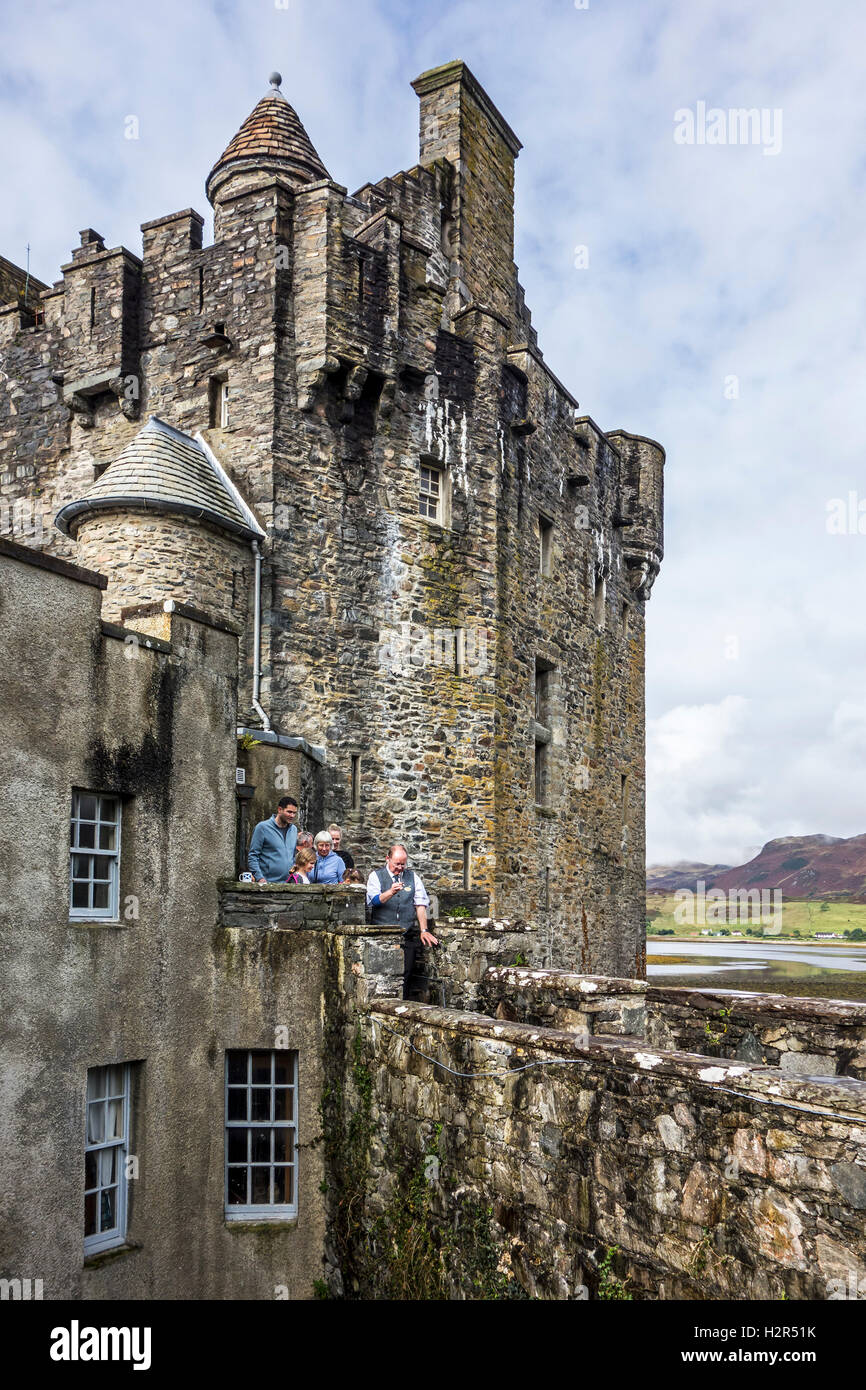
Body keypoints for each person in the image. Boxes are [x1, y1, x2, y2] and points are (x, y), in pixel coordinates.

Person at [366, 844, 438, 1000]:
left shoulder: (413, 877)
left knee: (406, 974)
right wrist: (391, 892)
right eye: (396, 864)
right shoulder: (376, 876)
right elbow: (374, 901)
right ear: (388, 859)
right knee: (383, 974)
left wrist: (424, 930)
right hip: (381, 935)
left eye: (402, 864)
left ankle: (402, 1005)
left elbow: (420, 904)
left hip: (407, 934)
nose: (400, 867)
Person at [248, 797, 298, 884]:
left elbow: (293, 856)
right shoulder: (262, 828)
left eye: (294, 813)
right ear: (280, 809)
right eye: (289, 812)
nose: (292, 816)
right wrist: (259, 878)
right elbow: (253, 856)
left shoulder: (294, 830)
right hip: (267, 883)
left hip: (288, 884)